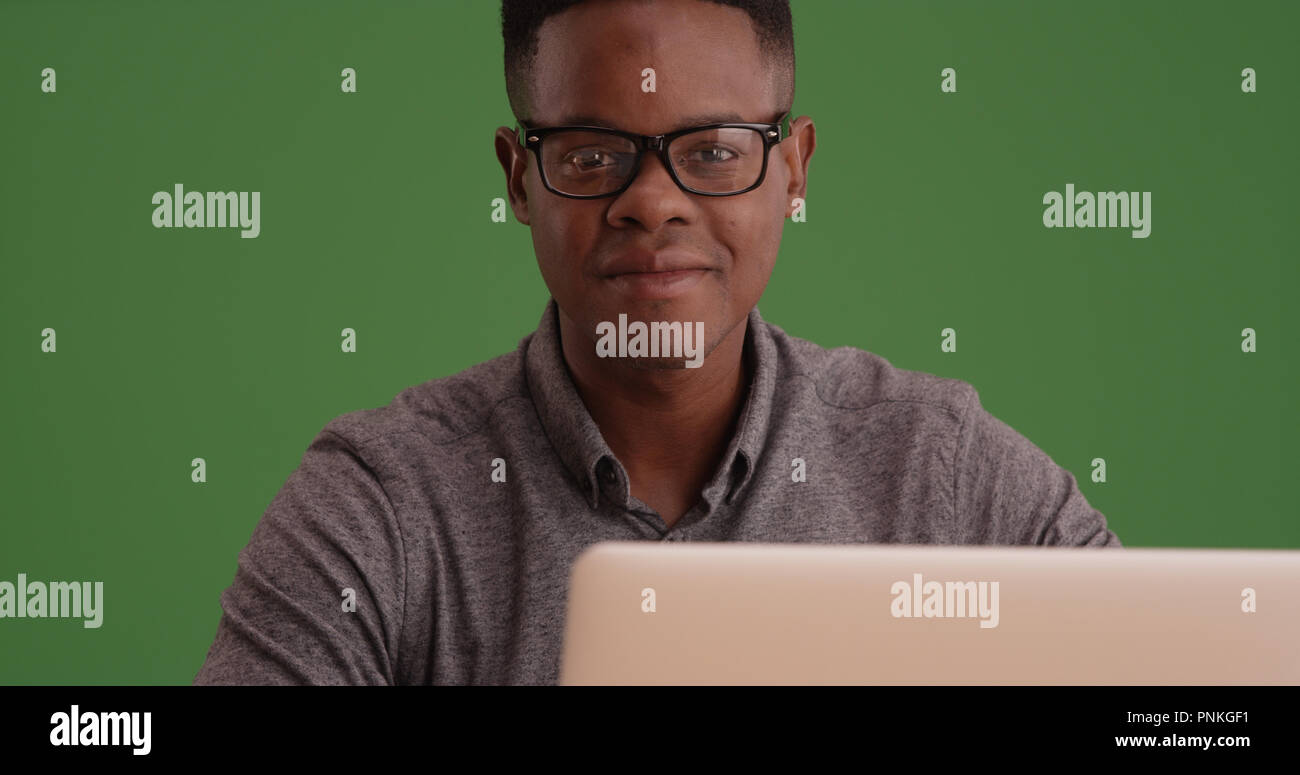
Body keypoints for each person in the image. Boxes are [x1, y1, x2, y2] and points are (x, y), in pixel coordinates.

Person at [194, 0, 1120, 686]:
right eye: (593, 153)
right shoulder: (380, 508)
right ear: (520, 181)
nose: (653, 199)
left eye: (714, 150)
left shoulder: (941, 473)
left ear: (792, 170)